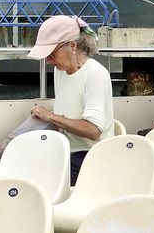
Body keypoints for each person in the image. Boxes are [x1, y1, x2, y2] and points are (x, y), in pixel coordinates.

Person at [27, 15, 114, 184]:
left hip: (91, 155)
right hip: (67, 149)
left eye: (51, 55)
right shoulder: (61, 70)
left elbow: (93, 130)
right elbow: (66, 112)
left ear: (72, 45)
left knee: (36, 178)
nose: (49, 61)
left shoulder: (95, 74)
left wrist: (51, 117)